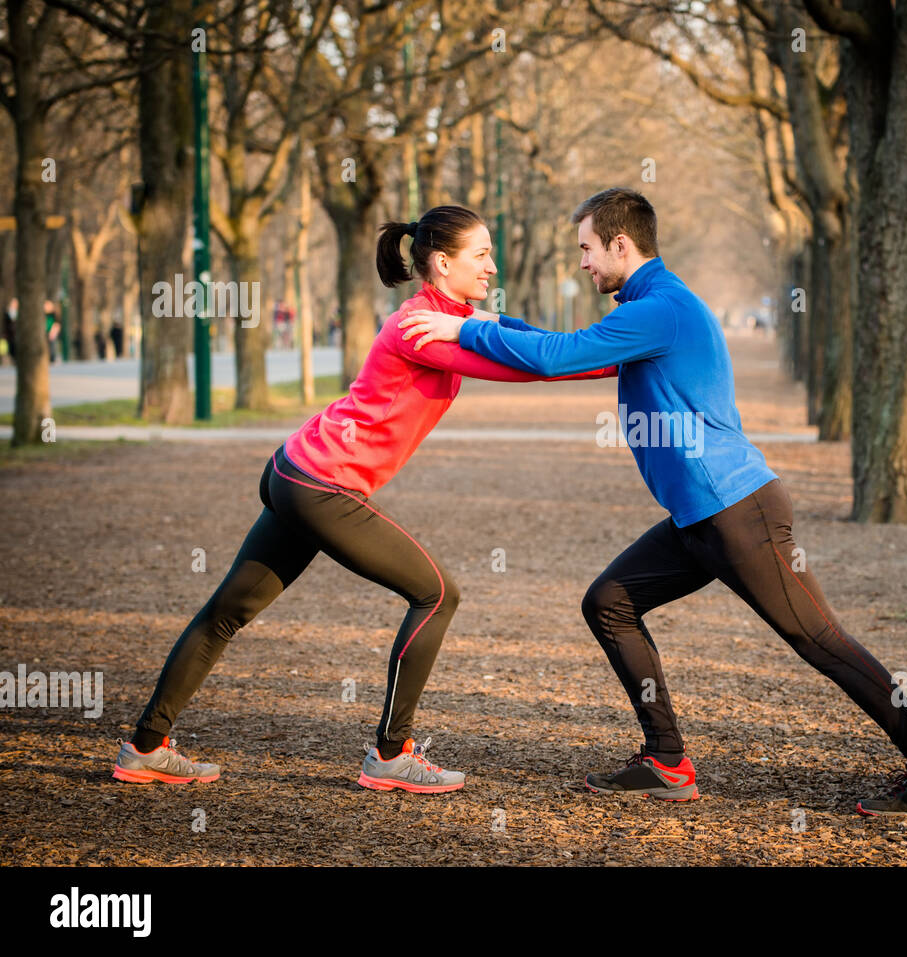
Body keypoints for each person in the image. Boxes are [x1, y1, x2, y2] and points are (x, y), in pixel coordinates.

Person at [397, 187, 907, 817]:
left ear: (621, 244)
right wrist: (494, 326)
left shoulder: (660, 309)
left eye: (587, 249)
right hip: (701, 516)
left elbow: (561, 357)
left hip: (737, 509)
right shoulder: (645, 307)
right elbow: (571, 344)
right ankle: (666, 759)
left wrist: (465, 327)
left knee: (820, 640)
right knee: (609, 603)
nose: (583, 263)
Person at [112, 204, 615, 792]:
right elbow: (525, 368)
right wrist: (616, 363)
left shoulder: (452, 316)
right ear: (442, 262)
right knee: (435, 593)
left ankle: (144, 747)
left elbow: (521, 336)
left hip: (295, 471)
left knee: (228, 612)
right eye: (480, 255)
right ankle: (391, 754)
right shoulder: (420, 326)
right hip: (321, 484)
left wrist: (607, 350)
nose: (492, 266)